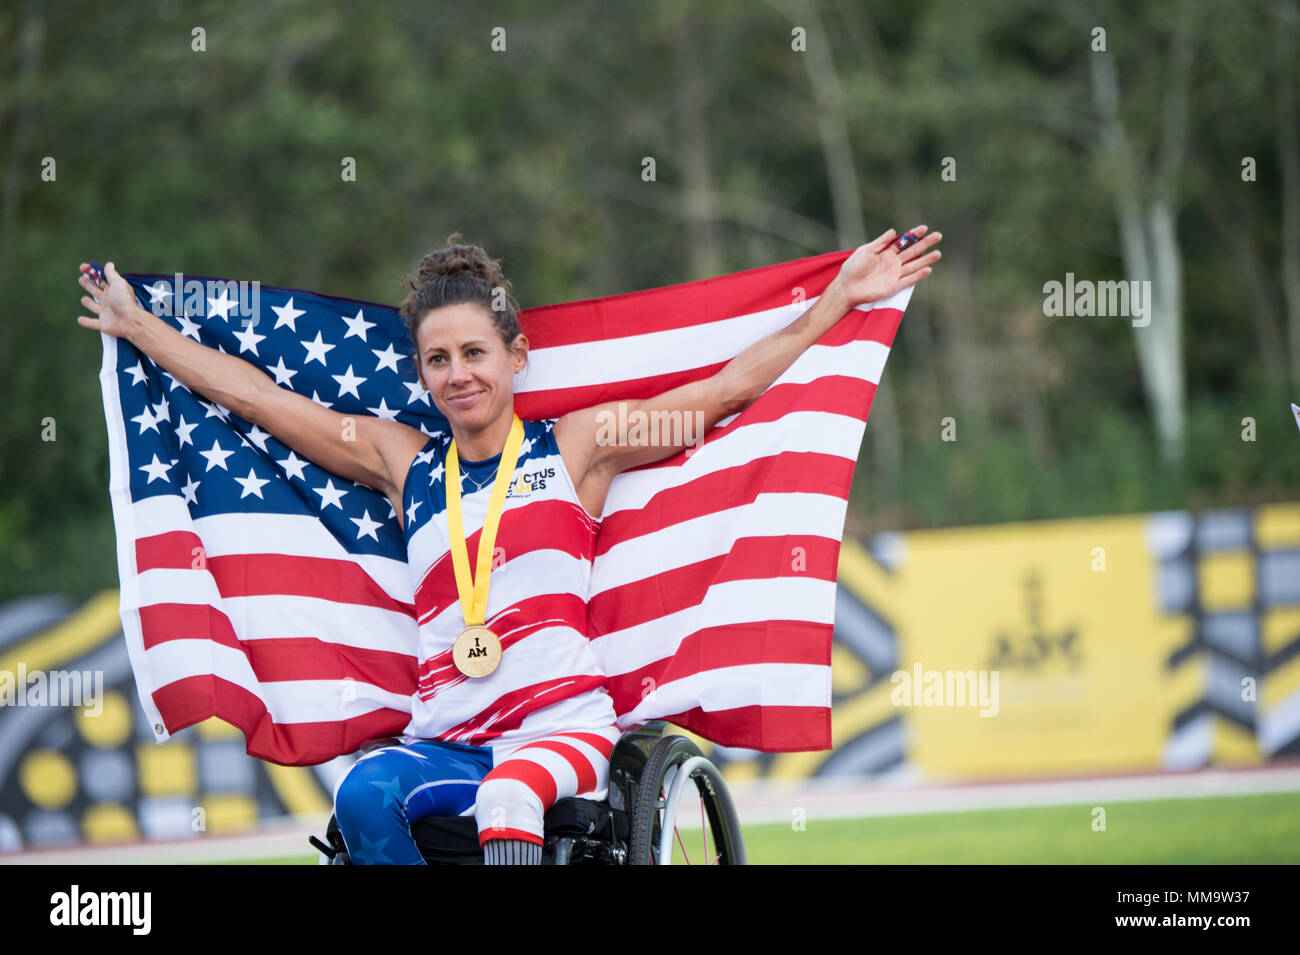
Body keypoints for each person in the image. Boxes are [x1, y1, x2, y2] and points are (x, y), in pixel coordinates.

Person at [75, 226, 941, 864]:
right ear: (422, 373)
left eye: (476, 353)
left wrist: (839, 301)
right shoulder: (403, 461)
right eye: (439, 359)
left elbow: (720, 392)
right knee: (364, 791)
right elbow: (262, 401)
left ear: (516, 356)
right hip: (451, 731)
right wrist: (139, 328)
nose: (459, 374)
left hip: (560, 727)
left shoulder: (576, 446)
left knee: (509, 793)